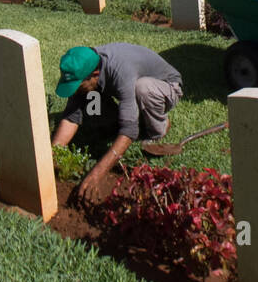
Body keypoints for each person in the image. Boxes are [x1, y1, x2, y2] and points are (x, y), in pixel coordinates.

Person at [51, 43, 183, 202]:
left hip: (166, 86)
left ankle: (159, 127)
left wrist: (97, 173)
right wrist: (54, 152)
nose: (76, 90)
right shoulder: (86, 66)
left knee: (142, 89)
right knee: (91, 104)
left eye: (78, 85)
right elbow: (72, 116)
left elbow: (130, 131)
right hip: (119, 84)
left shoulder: (121, 71)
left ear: (95, 73)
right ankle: (118, 120)